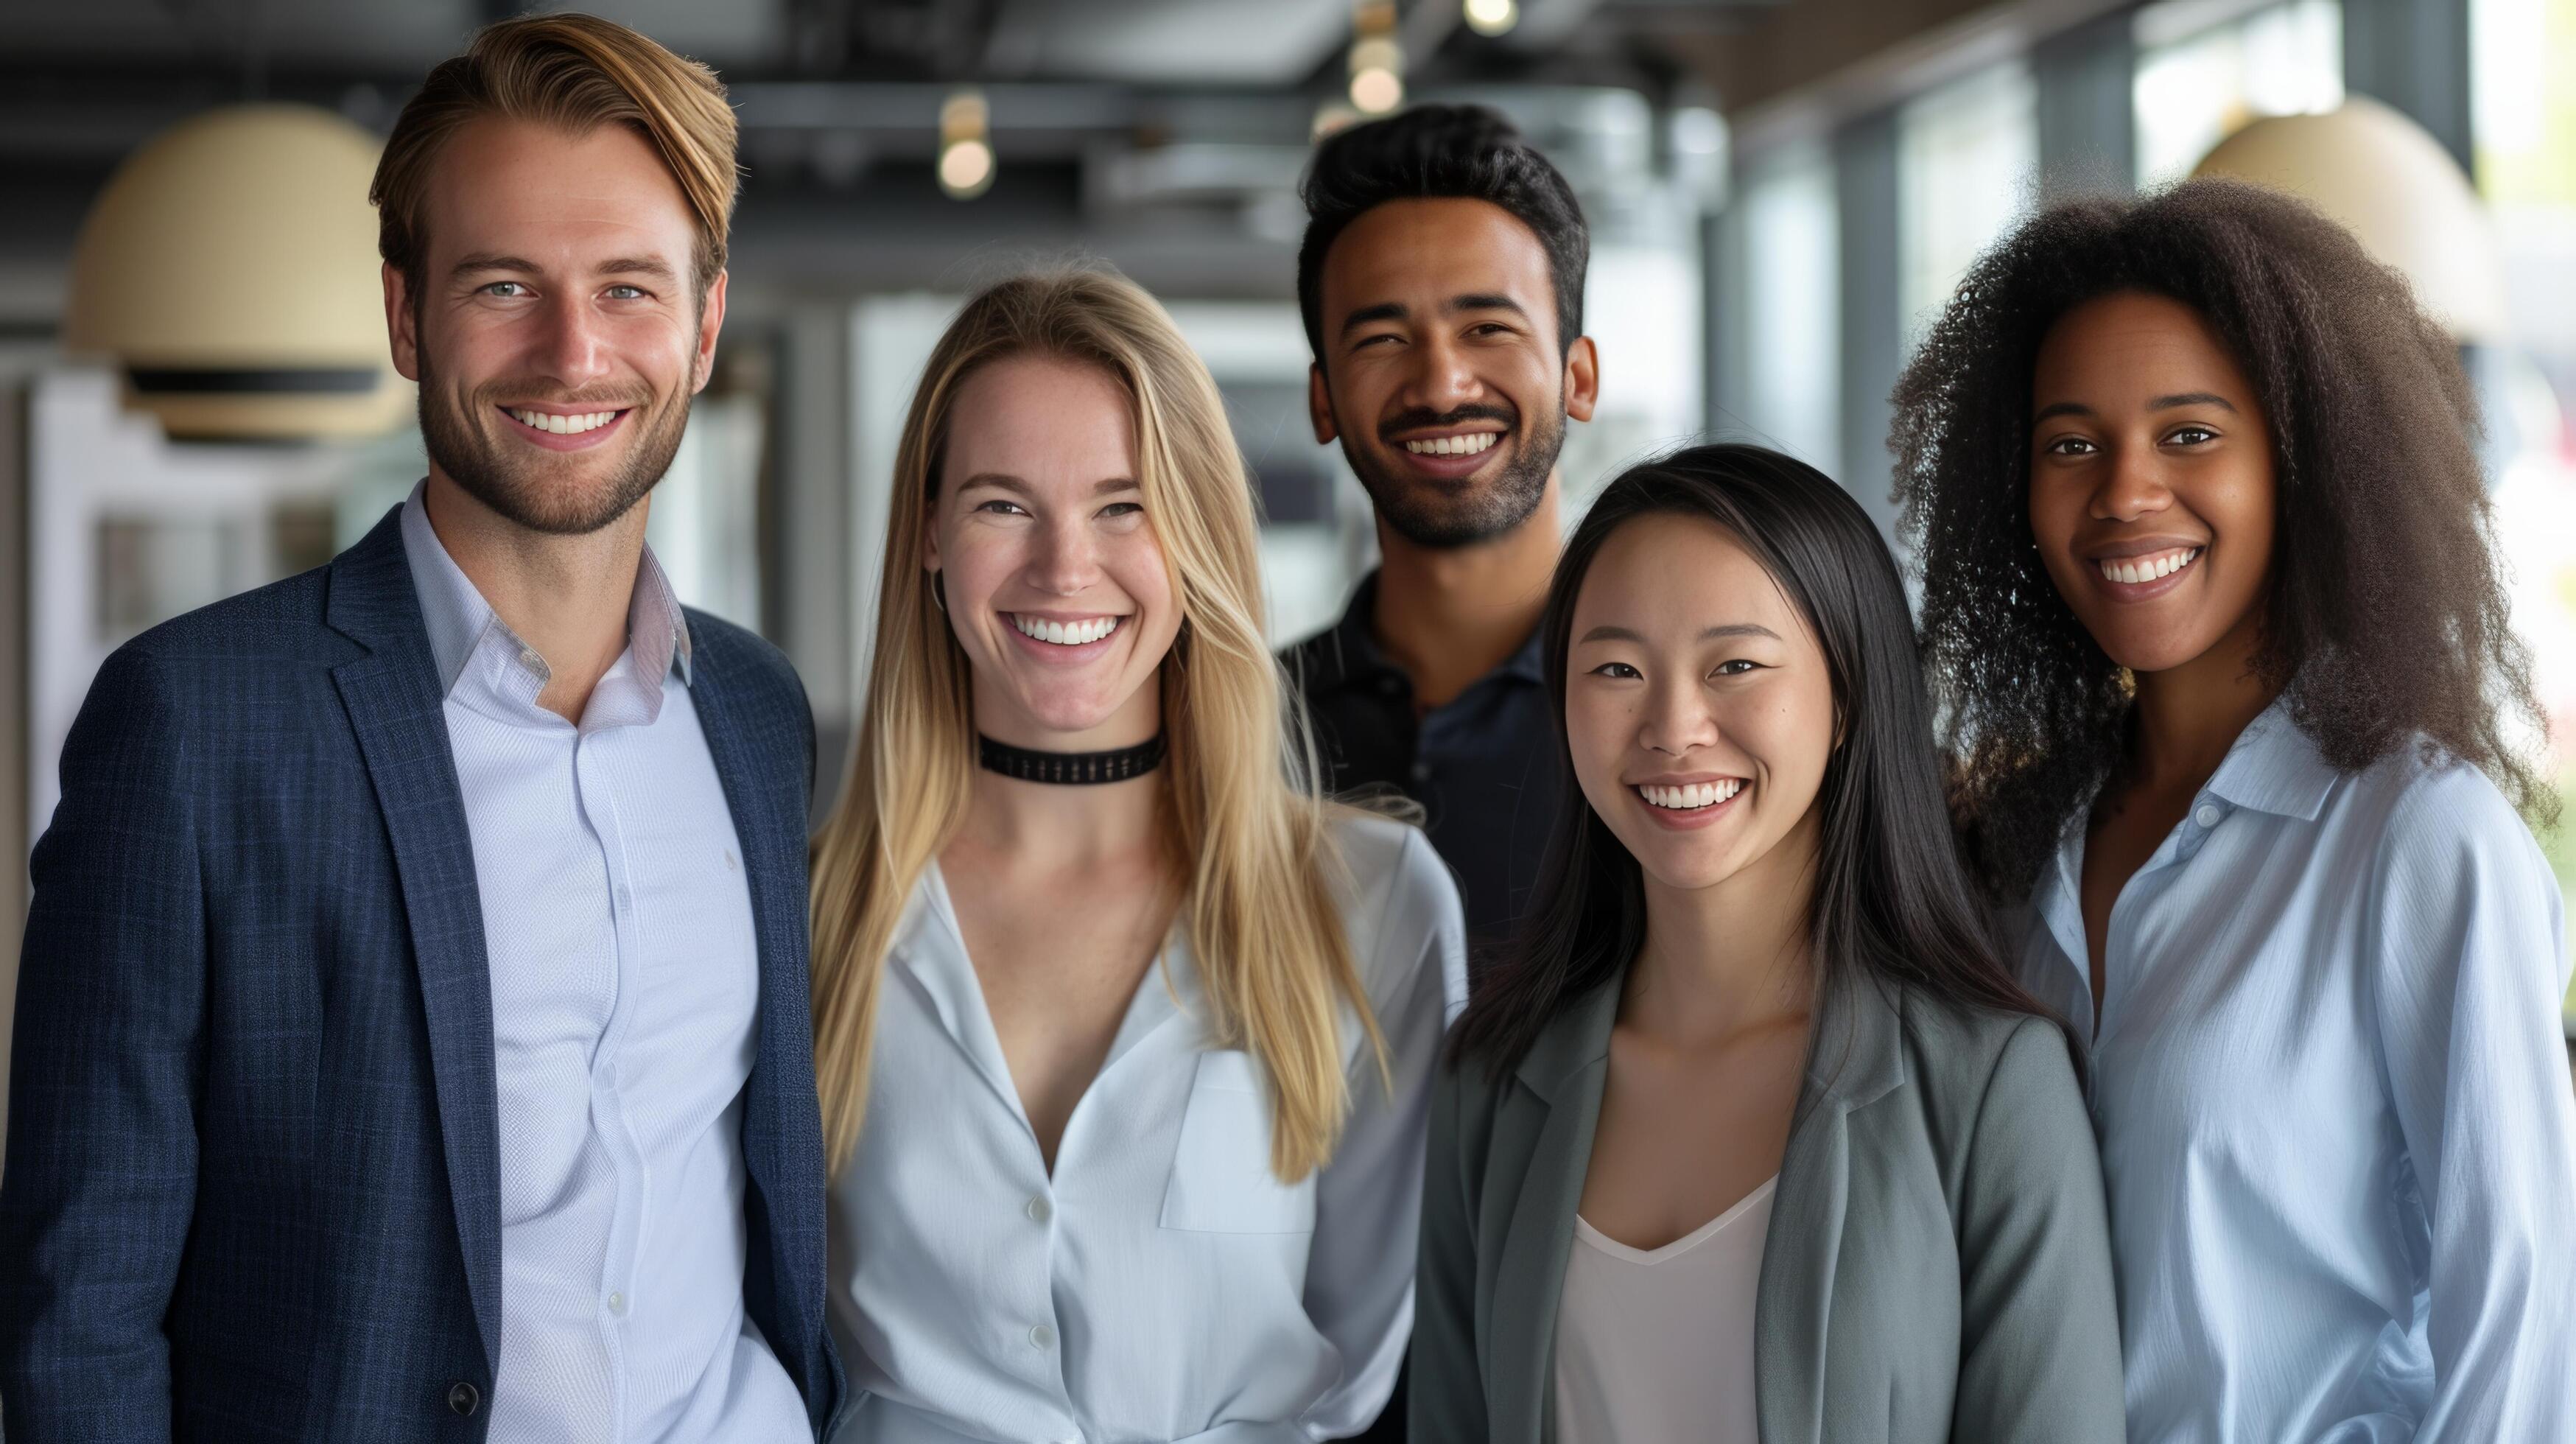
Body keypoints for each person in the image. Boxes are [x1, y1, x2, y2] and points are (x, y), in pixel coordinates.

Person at [0, 16, 843, 1440]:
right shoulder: (196, 724)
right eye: (505, 283)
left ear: (702, 327)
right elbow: (79, 1309)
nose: (572, 351)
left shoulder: (755, 716)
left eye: (629, 289)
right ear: (406, 315)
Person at [1892, 179, 2576, 1440]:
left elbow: (2522, 1333)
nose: (2123, 493)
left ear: (2300, 465)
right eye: (2069, 443)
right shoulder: (2012, 848)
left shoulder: (2416, 841)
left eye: (2191, 434)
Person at [807, 267, 1466, 1443]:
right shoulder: (809, 914)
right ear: (928, 535)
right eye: (1003, 505)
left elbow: (1356, 1359)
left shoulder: (1372, 906)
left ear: (1200, 530)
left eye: (1125, 505)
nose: (1066, 568)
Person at [1411, 444, 2126, 1443]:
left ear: (1846, 700)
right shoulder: (1489, 1081)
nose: (1671, 726)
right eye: (1616, 668)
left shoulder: (1991, 1086)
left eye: (1735, 666)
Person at [1284, 104, 1600, 965]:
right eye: (1382, 339)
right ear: (1323, 401)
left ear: (1577, 376)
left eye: (1486, 329)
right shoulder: (1236, 728)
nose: (1439, 383)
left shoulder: (1677, 722)